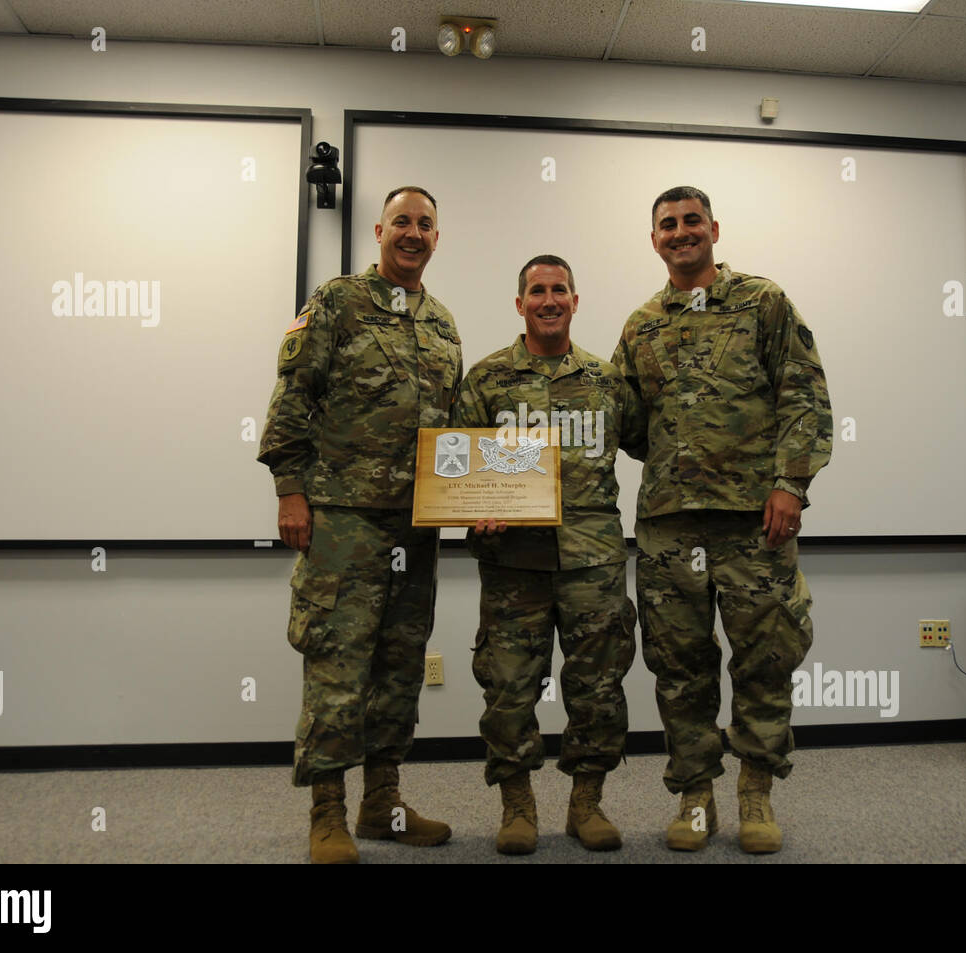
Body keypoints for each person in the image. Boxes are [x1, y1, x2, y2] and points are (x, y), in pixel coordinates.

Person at [611, 186, 833, 853]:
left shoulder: (764, 303)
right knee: (680, 664)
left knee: (765, 657)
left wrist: (790, 483)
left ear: (713, 228)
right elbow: (627, 424)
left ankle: (756, 791)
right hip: (670, 526)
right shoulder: (641, 324)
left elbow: (804, 395)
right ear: (654, 240)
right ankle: (696, 794)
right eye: (667, 225)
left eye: (690, 222)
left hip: (753, 524)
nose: (680, 233)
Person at [258, 186, 462, 864]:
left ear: (437, 236)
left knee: (399, 667)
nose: (412, 232)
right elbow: (293, 398)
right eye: (402, 220)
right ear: (380, 230)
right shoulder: (338, 302)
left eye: (424, 224)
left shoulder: (442, 325)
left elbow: (453, 435)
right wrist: (291, 491)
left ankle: (383, 803)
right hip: (343, 520)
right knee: (337, 665)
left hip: (417, 528)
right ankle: (327, 812)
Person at [452, 255, 647, 855]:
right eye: (537, 290)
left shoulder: (608, 381)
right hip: (514, 564)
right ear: (520, 304)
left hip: (594, 563)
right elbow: (455, 468)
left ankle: (586, 804)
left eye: (559, 289)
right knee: (508, 688)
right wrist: (469, 510)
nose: (549, 299)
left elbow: (649, 443)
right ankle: (517, 806)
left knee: (598, 687)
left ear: (575, 300)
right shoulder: (485, 381)